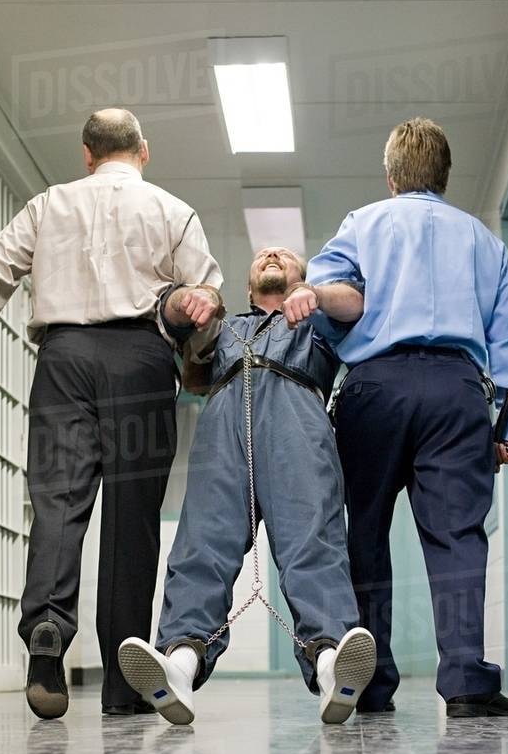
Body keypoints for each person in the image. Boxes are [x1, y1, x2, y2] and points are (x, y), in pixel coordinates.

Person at [0, 109, 221, 719]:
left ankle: (46, 633)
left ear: (87, 154)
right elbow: (205, 303)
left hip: (63, 360)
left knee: (58, 503)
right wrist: (198, 360)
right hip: (142, 362)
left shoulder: (47, 205)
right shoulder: (173, 211)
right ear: (144, 151)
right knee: (131, 519)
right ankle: (124, 681)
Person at [285, 117, 508, 718]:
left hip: (375, 389)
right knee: (457, 536)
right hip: (457, 395)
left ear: (392, 177)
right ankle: (467, 683)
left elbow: (326, 301)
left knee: (364, 531)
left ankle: (368, 684)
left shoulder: (362, 223)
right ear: (444, 177)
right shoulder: (484, 241)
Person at [117, 246, 376, 726]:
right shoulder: (220, 324)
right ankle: (179, 665)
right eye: (261, 256)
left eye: (286, 255)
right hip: (222, 426)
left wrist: (312, 294)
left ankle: (330, 665)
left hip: (297, 422)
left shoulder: (319, 318)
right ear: (247, 285)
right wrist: (192, 301)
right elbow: (173, 325)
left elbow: (357, 303)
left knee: (312, 543)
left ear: (303, 274)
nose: (272, 254)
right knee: (201, 546)